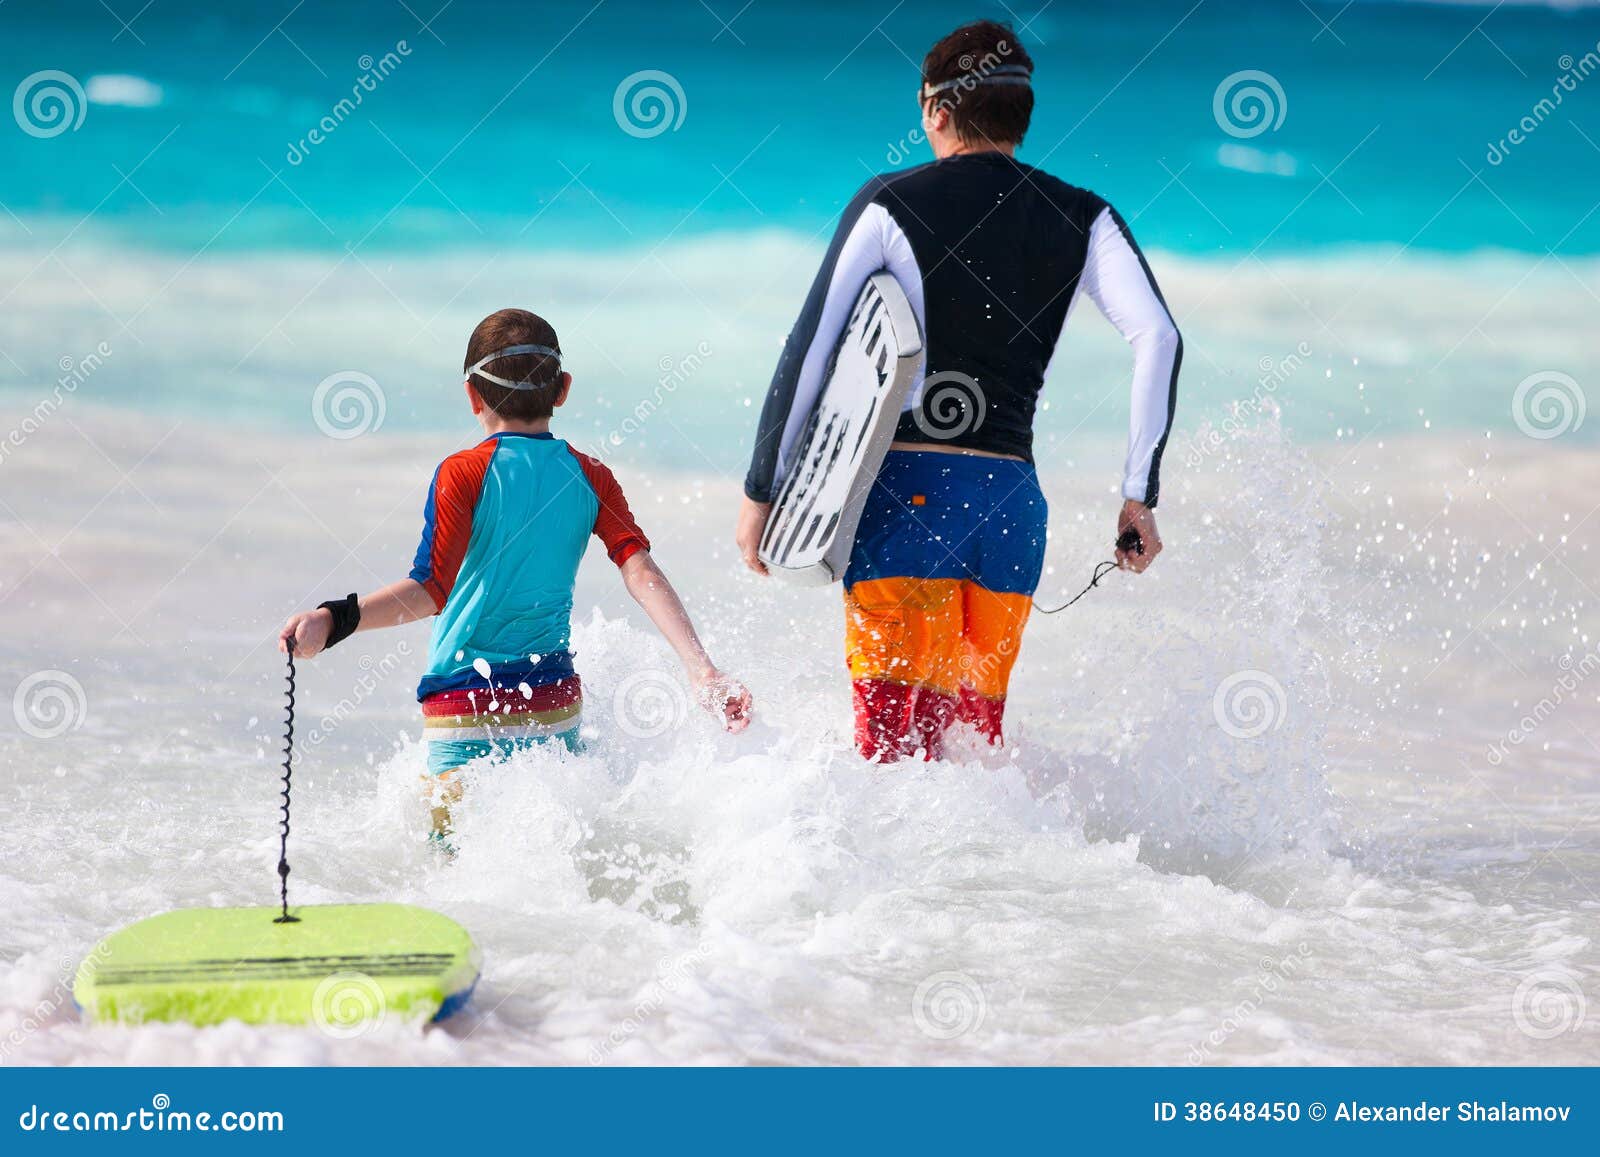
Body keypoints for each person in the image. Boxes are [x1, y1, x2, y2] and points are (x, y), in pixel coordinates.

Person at [735, 20, 1180, 762]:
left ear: (933, 109)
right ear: (1021, 115)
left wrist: (762, 487)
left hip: (909, 493)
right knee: (973, 758)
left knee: (891, 759)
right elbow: (1159, 338)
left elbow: (809, 346)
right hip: (1012, 510)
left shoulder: (887, 201)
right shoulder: (1085, 215)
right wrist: (1139, 495)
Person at [280, 308, 752, 840]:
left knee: (453, 861)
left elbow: (428, 592)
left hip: (464, 703)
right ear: (563, 390)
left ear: (471, 397)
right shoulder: (591, 475)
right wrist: (702, 669)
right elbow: (641, 573)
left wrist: (334, 619)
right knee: (552, 851)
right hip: (551, 701)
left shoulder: (463, 472)